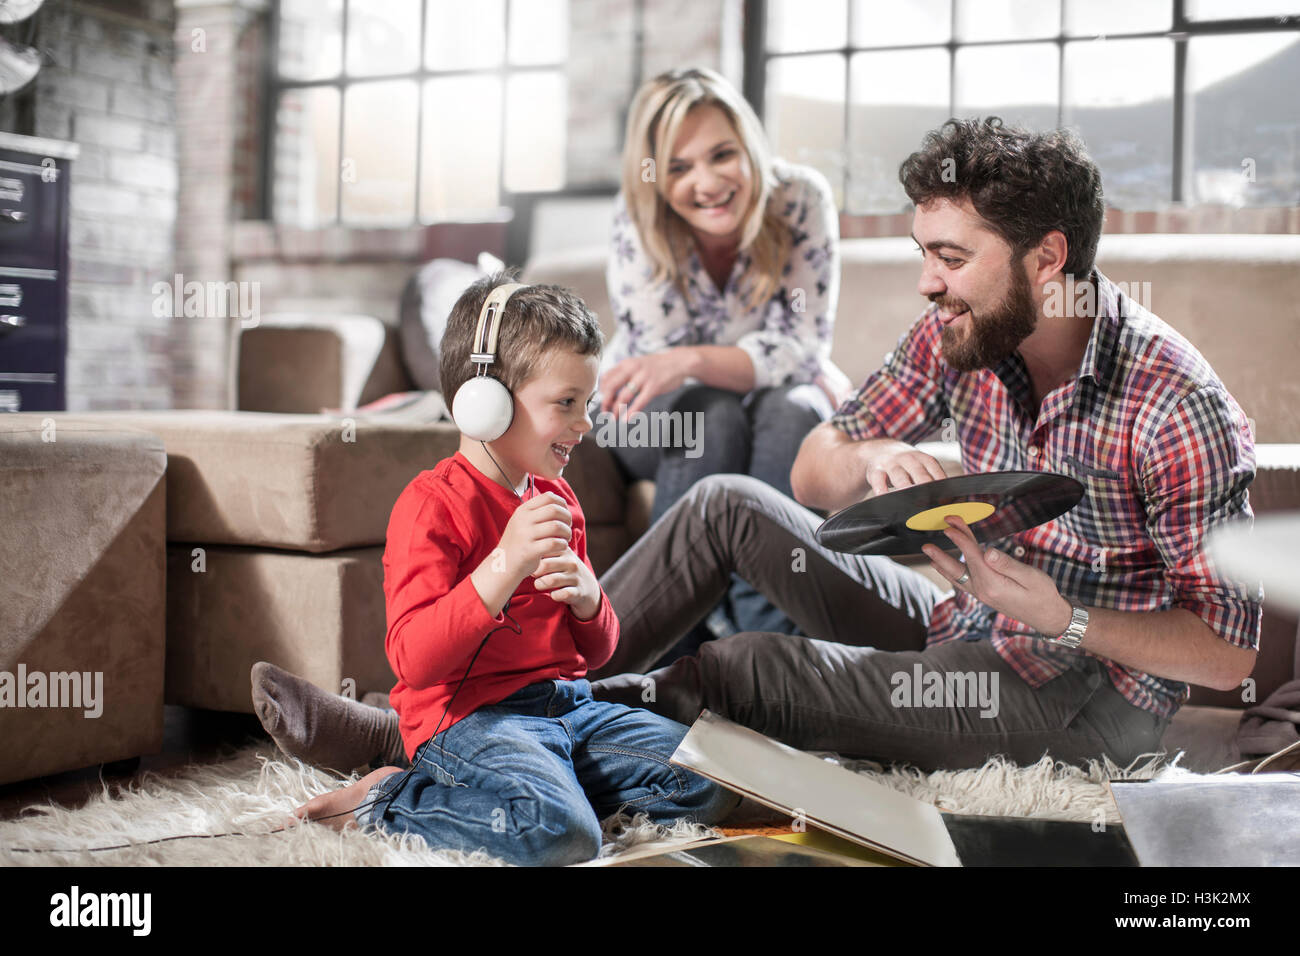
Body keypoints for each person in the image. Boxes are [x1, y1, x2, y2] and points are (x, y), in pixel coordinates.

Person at [257, 117, 1262, 774]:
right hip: (966, 616)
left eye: (950, 258)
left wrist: (1066, 616)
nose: (925, 283)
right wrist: (872, 462)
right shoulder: (956, 333)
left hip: (1081, 696)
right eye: (923, 254)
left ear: (1048, 261)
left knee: (747, 666)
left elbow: (1227, 652)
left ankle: (442, 727)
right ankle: (466, 707)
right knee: (723, 503)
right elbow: (815, 463)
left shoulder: (1176, 405)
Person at [277, 274, 736, 866]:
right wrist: (505, 562)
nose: (585, 424)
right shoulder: (431, 503)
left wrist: (591, 602)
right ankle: (390, 795)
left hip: (571, 708)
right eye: (566, 403)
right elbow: (413, 660)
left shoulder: (559, 501)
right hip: (474, 721)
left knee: (716, 779)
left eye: (587, 404)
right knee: (563, 837)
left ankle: (542, 795)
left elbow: (597, 654)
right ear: (484, 398)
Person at [598, 66, 849, 648]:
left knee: (792, 407)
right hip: (644, 415)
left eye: (722, 155)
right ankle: (663, 656)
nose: (707, 183)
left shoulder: (801, 199)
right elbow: (655, 364)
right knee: (710, 414)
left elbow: (802, 344)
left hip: (763, 406)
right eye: (680, 168)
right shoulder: (637, 219)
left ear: (751, 148)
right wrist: (721, 364)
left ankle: (771, 646)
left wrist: (691, 361)